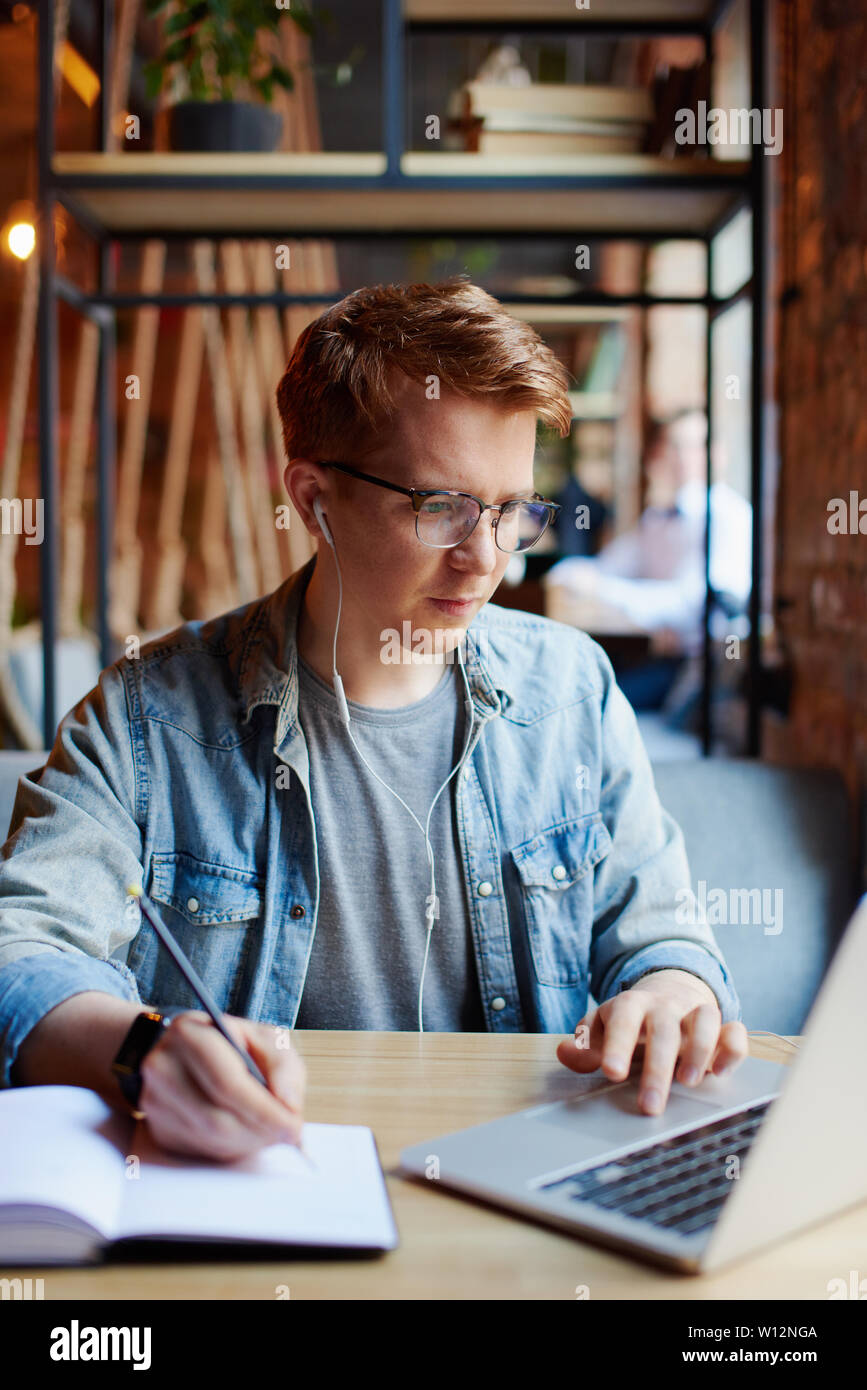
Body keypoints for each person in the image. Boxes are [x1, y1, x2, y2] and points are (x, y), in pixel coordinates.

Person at [0, 279, 747, 1162]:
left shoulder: (571, 691)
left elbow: (661, 935)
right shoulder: (145, 719)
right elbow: (21, 953)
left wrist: (670, 991)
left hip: (521, 1181)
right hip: (252, 1185)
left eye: (512, 511)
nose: (486, 560)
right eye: (441, 508)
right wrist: (142, 1052)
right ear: (314, 498)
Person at [546, 412, 752, 710]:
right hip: (656, 656)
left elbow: (691, 604)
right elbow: (608, 567)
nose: (682, 457)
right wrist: (565, 575)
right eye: (675, 446)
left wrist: (600, 590)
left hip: (700, 673)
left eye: (696, 445)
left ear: (719, 454)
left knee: (586, 702)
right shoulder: (657, 519)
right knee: (568, 684)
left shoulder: (728, 516)